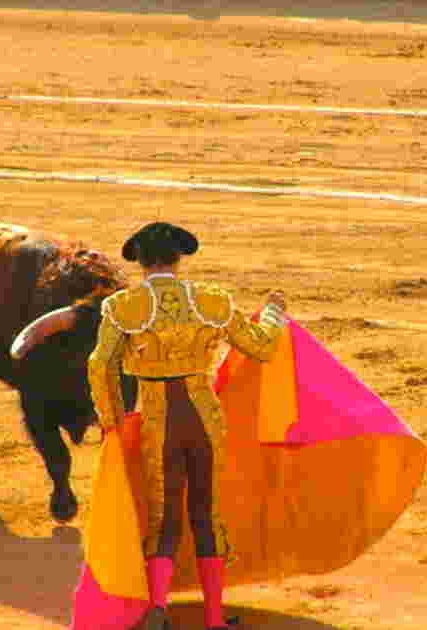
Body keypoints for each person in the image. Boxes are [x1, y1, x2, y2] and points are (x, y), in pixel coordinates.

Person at [87, 221, 287, 630]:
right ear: (181, 257)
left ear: (139, 262)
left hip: (158, 418)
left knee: (164, 516)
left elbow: (99, 364)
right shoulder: (211, 301)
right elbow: (262, 348)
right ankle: (214, 619)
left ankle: (158, 606)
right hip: (204, 415)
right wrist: (273, 312)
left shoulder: (122, 307)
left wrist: (112, 421)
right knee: (205, 514)